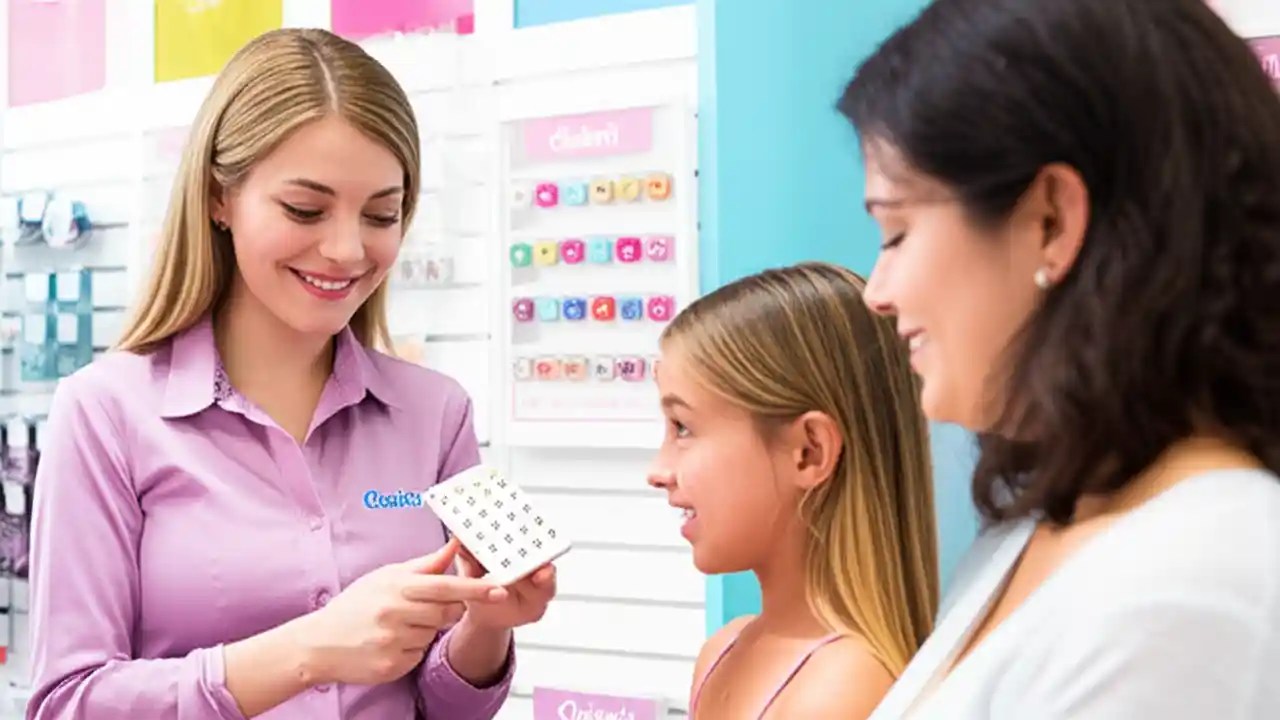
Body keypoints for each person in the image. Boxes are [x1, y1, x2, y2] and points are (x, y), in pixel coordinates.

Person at [27, 28, 554, 720]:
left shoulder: (436, 414)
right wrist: (309, 651)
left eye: (381, 215)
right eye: (305, 210)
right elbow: (68, 703)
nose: (345, 249)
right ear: (221, 199)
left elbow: (445, 706)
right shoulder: (105, 412)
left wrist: (486, 623)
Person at [837, 0, 1280, 717]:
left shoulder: (1196, 586)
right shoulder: (1041, 523)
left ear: (1051, 221)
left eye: (896, 233)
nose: (876, 293)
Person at [647, 263, 940, 719]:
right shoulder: (722, 654)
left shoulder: (845, 685)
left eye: (683, 427)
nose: (658, 470)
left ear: (809, 451)